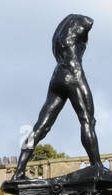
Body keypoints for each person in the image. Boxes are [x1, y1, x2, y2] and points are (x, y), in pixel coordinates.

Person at [11, 14, 101, 180]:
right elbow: (90, 22)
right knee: (88, 120)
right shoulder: (83, 22)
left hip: (57, 76)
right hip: (74, 73)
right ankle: (96, 164)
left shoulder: (59, 33)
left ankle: (19, 171)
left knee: (40, 127)